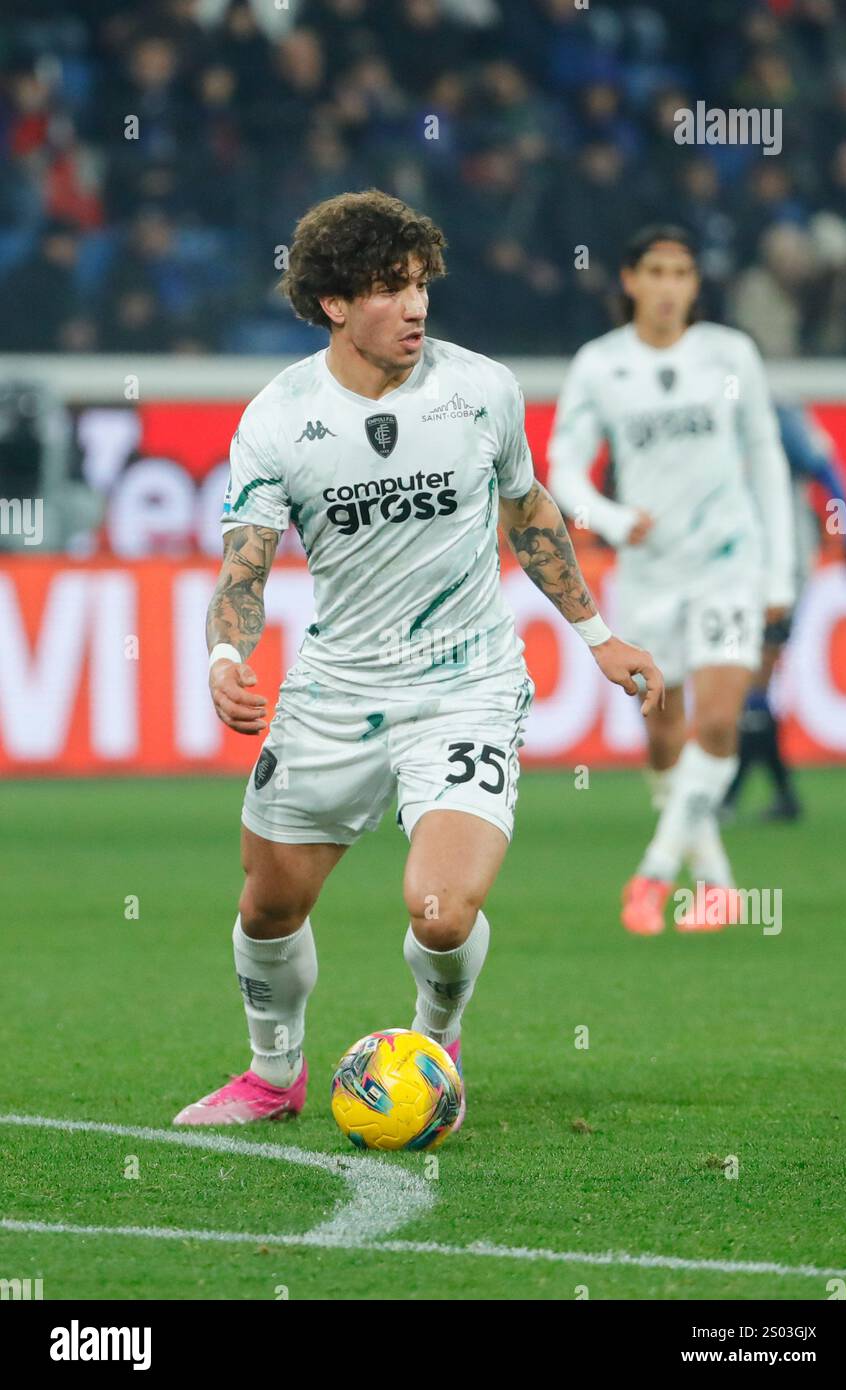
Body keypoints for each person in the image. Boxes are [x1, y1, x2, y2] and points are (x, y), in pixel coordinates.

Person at [174, 189, 663, 1126]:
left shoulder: (481, 389)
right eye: (390, 289)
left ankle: (436, 1042)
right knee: (268, 910)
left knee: (440, 910)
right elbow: (246, 566)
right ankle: (273, 1078)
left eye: (420, 284)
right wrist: (224, 660)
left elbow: (530, 513)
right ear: (333, 304)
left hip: (465, 687)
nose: (415, 306)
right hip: (335, 691)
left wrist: (598, 636)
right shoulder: (278, 419)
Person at [548, 224, 795, 935]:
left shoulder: (729, 353)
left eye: (680, 273)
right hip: (651, 572)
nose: (667, 286)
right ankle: (715, 882)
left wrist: (777, 568)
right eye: (654, 271)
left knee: (719, 721)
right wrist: (613, 519)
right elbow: (563, 467)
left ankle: (654, 873)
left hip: (728, 562)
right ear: (629, 281)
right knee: (665, 735)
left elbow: (766, 459)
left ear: (694, 284)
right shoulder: (600, 365)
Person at [722, 402, 846, 822]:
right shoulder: (709, 411)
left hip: (779, 571)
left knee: (753, 676)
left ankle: (730, 796)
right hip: (734, 569)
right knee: (750, 684)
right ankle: (780, 795)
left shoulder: (775, 414)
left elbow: (828, 471)